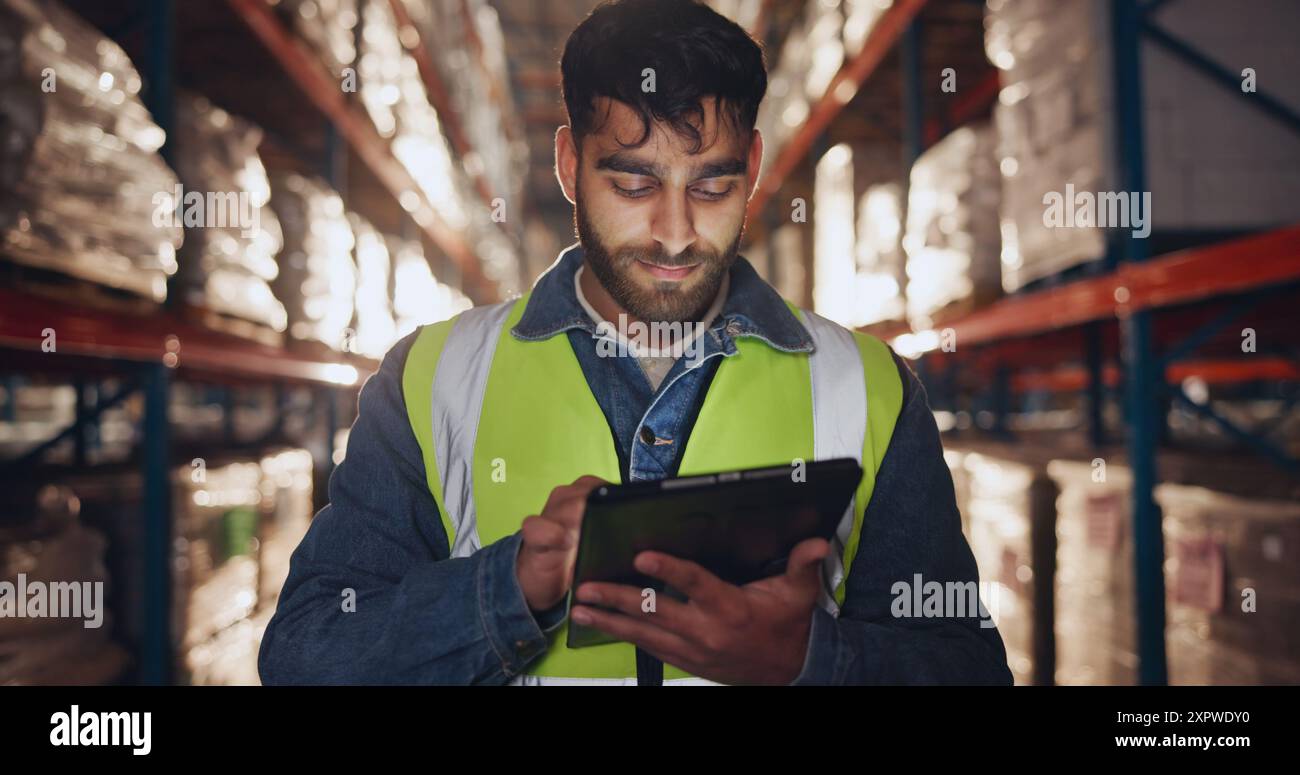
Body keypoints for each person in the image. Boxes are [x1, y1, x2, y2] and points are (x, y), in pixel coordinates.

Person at [258, 0, 1013, 686]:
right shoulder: (429, 379)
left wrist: (809, 660)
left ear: (751, 169)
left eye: (712, 186)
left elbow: (967, 669)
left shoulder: (872, 387)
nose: (676, 234)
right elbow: (307, 654)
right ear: (568, 165)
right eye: (633, 184)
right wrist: (508, 587)